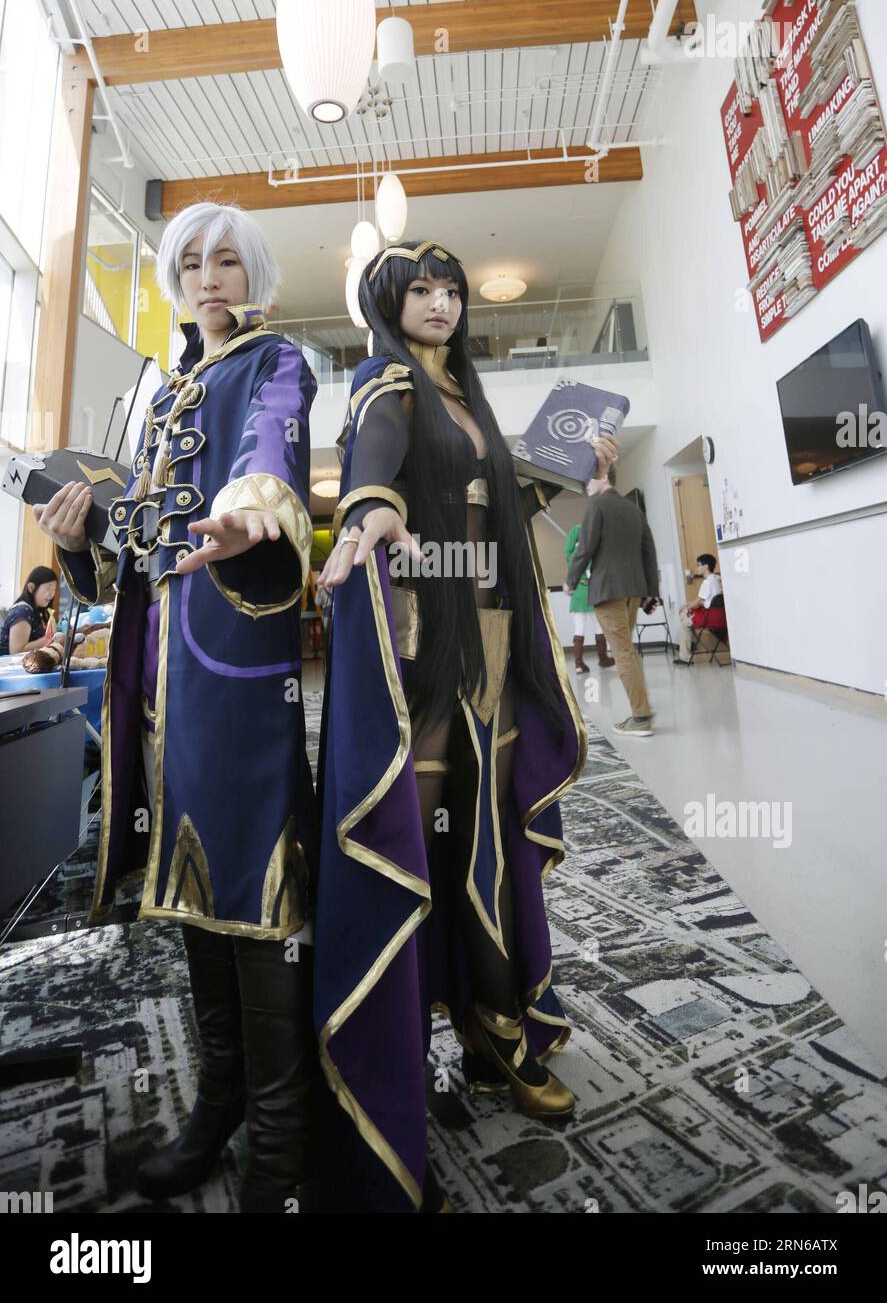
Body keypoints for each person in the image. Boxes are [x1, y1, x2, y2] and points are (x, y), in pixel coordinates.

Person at [313, 239, 617, 1213]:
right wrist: (364, 512)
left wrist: (580, 462)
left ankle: (495, 1038)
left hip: (496, 648)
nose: (441, 303)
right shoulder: (383, 384)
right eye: (421, 291)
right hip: (426, 653)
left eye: (450, 290)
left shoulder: (472, 401)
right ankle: (403, 1082)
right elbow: (377, 458)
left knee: (489, 853)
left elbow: (507, 501)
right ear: (387, 305)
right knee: (421, 858)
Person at [33, 202, 320, 1213]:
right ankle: (219, 1105)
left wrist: (251, 506)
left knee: (255, 887)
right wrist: (76, 535)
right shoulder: (161, 395)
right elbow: (126, 551)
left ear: (258, 276)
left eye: (229, 260)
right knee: (191, 888)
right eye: (191, 260)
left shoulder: (276, 360)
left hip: (237, 664)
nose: (210, 276)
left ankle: (282, 1145)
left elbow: (271, 447)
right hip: (158, 677)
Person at [565, 464, 659, 738]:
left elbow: (585, 547)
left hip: (608, 590)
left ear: (603, 476)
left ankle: (641, 718)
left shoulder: (597, 505)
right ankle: (643, 708)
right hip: (633, 590)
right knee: (627, 650)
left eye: (588, 480)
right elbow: (648, 552)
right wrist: (650, 592)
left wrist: (571, 580)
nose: (586, 486)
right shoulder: (633, 508)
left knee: (623, 653)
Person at [563, 524, 613, 672]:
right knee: (599, 626)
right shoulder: (591, 553)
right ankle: (603, 659)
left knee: (579, 628)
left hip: (577, 593)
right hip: (591, 592)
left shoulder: (572, 555)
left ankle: (578, 664)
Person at [675, 553, 724, 664]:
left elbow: (697, 603)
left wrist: (683, 606)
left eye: (698, 565)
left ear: (706, 566)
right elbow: (702, 601)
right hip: (721, 616)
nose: (697, 567)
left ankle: (685, 656)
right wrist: (687, 606)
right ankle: (690, 643)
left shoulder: (707, 582)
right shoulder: (717, 579)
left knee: (684, 621)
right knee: (685, 615)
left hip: (710, 617)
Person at [0, 566, 57, 655]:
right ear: (31, 587)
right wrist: (50, 639)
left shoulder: (37, 611)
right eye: (48, 588)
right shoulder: (22, 611)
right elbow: (16, 651)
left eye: (54, 589)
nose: (52, 594)